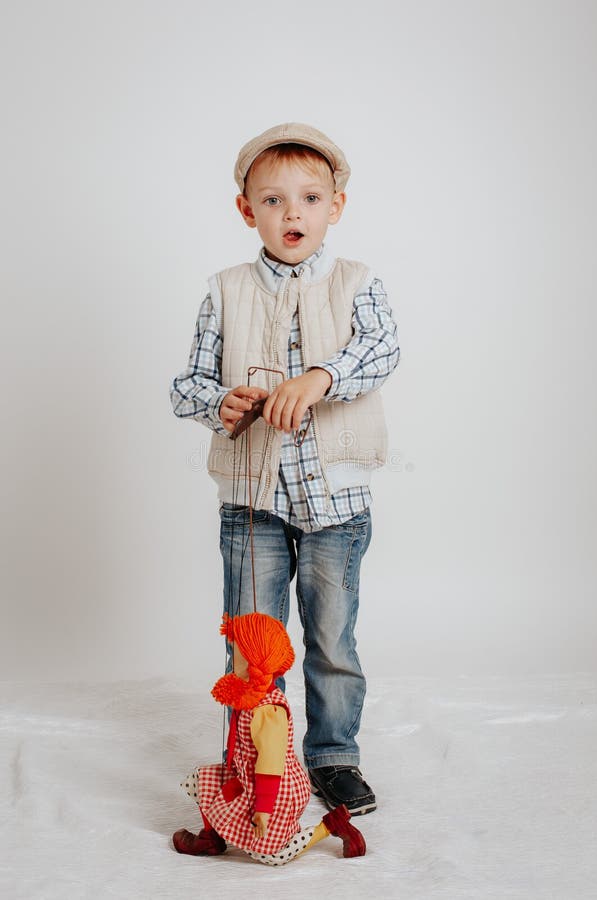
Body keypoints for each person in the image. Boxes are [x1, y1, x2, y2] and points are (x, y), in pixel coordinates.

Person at [170, 122, 400, 815]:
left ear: (337, 205)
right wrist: (220, 401)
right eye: (272, 200)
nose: (291, 213)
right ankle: (250, 757)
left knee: (332, 640)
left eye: (308, 197)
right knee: (252, 643)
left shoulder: (359, 283)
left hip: (337, 504)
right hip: (252, 504)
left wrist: (325, 375)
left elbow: (384, 348)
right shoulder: (225, 290)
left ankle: (332, 758)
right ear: (247, 211)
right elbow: (186, 386)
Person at [173, 613, 366, 865]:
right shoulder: (249, 696)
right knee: (202, 780)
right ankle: (211, 838)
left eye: (238, 653)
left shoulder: (268, 711)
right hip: (248, 775)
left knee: (272, 854)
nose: (232, 659)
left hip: (275, 789)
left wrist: (263, 809)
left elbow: (270, 763)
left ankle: (330, 827)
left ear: (255, 658)